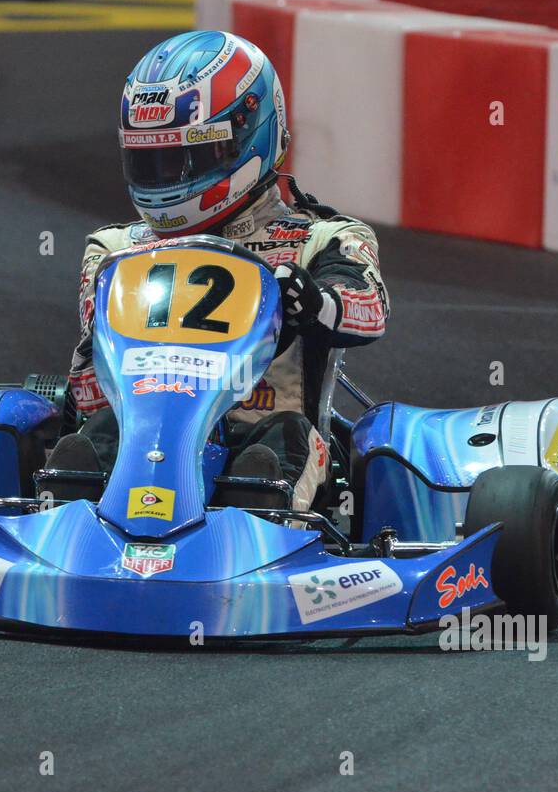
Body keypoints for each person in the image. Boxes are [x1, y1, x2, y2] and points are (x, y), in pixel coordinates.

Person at [52, 30, 389, 511]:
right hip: (141, 436)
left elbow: (369, 311)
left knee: (278, 445)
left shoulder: (321, 239)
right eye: (154, 162)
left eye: (186, 158)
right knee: (95, 435)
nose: (169, 179)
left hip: (268, 435)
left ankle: (262, 525)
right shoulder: (115, 249)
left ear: (249, 137)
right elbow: (90, 377)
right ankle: (66, 512)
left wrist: (315, 302)